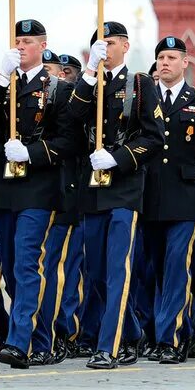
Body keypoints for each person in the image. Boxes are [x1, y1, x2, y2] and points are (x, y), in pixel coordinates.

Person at [0, 19, 81, 369]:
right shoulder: (4, 83)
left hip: (39, 187)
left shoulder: (57, 89)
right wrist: (0, 79)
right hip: (4, 188)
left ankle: (18, 342)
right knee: (13, 269)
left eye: (28, 41)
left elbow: (70, 141)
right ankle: (41, 340)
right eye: (17, 40)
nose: (21, 46)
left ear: (44, 45)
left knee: (28, 262)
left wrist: (32, 154)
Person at [66, 21, 161, 369]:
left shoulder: (140, 84)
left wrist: (119, 158)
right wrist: (90, 70)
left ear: (124, 44)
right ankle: (132, 332)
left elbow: (154, 137)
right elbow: (73, 115)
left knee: (118, 269)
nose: (104, 49)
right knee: (97, 273)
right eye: (97, 45)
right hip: (93, 189)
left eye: (108, 43)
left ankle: (108, 346)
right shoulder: (91, 84)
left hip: (124, 187)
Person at [138, 37, 195, 363]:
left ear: (185, 63)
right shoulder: (142, 98)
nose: (165, 63)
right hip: (150, 198)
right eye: (161, 57)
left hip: (187, 199)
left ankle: (170, 340)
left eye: (172, 58)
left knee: (178, 266)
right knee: (160, 271)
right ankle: (183, 330)